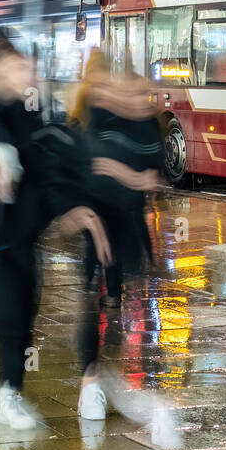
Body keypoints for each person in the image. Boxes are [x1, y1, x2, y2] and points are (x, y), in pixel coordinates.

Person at [0, 31, 108, 432]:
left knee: (27, 310)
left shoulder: (30, 114)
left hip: (27, 234)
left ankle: (10, 393)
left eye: (28, 67)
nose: (27, 74)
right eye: (19, 67)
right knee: (14, 315)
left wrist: (69, 209)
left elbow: (46, 171)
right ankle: (8, 398)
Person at [74, 68, 162, 421]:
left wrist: (134, 176)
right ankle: (89, 380)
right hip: (95, 220)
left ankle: (123, 377)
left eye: (146, 95)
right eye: (136, 93)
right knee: (90, 296)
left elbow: (154, 171)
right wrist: (125, 175)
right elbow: (89, 169)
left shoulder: (147, 127)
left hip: (129, 222)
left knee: (129, 288)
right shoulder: (98, 120)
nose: (144, 100)